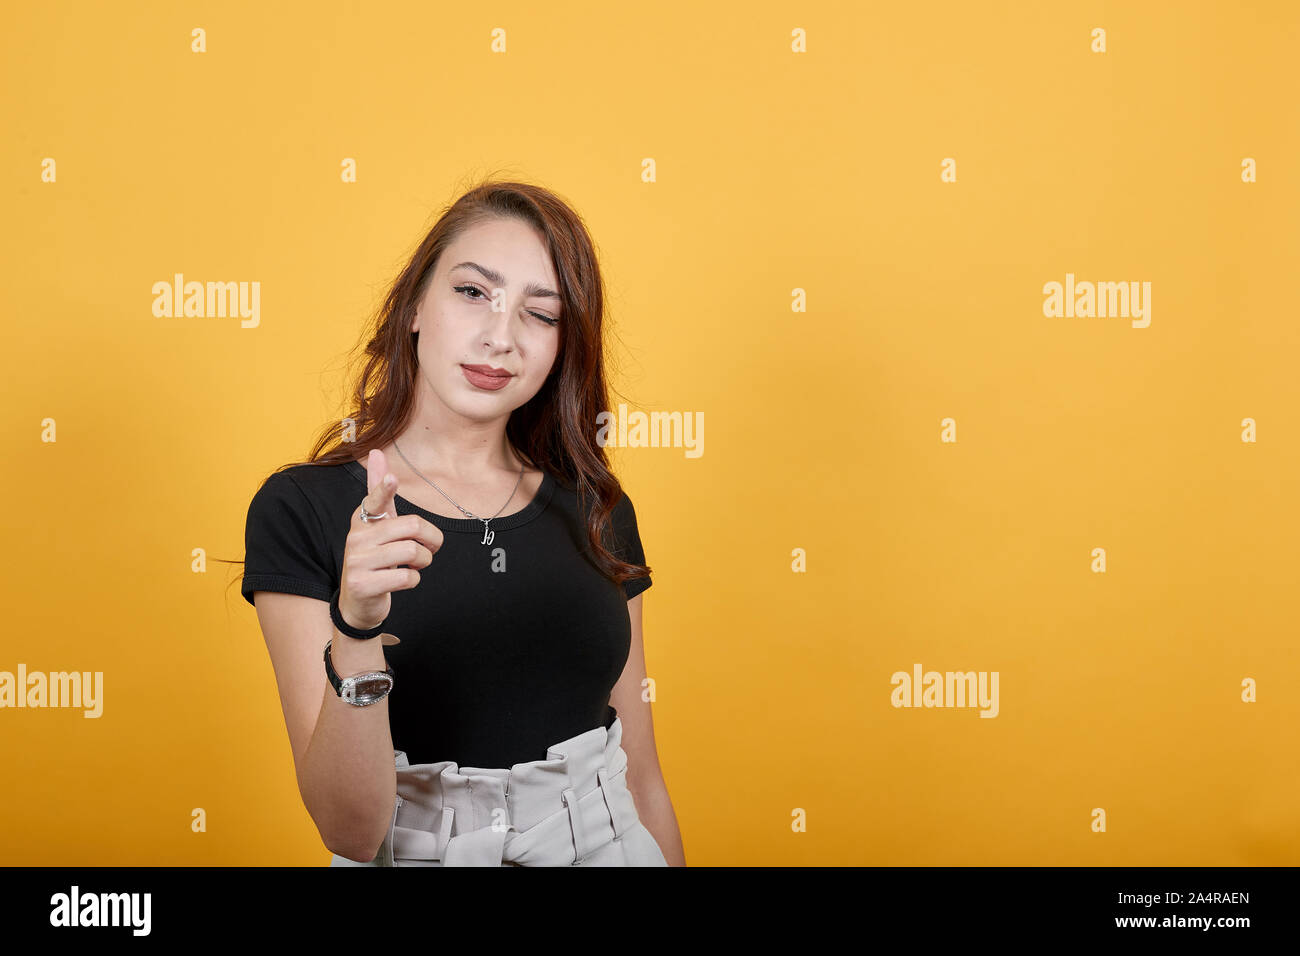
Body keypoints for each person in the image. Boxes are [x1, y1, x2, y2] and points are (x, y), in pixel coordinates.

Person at [237, 179, 684, 866]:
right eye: (472, 292)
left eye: (541, 314)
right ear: (416, 304)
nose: (498, 337)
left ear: (563, 346)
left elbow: (644, 775)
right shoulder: (305, 509)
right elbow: (350, 832)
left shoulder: (598, 508)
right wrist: (355, 628)